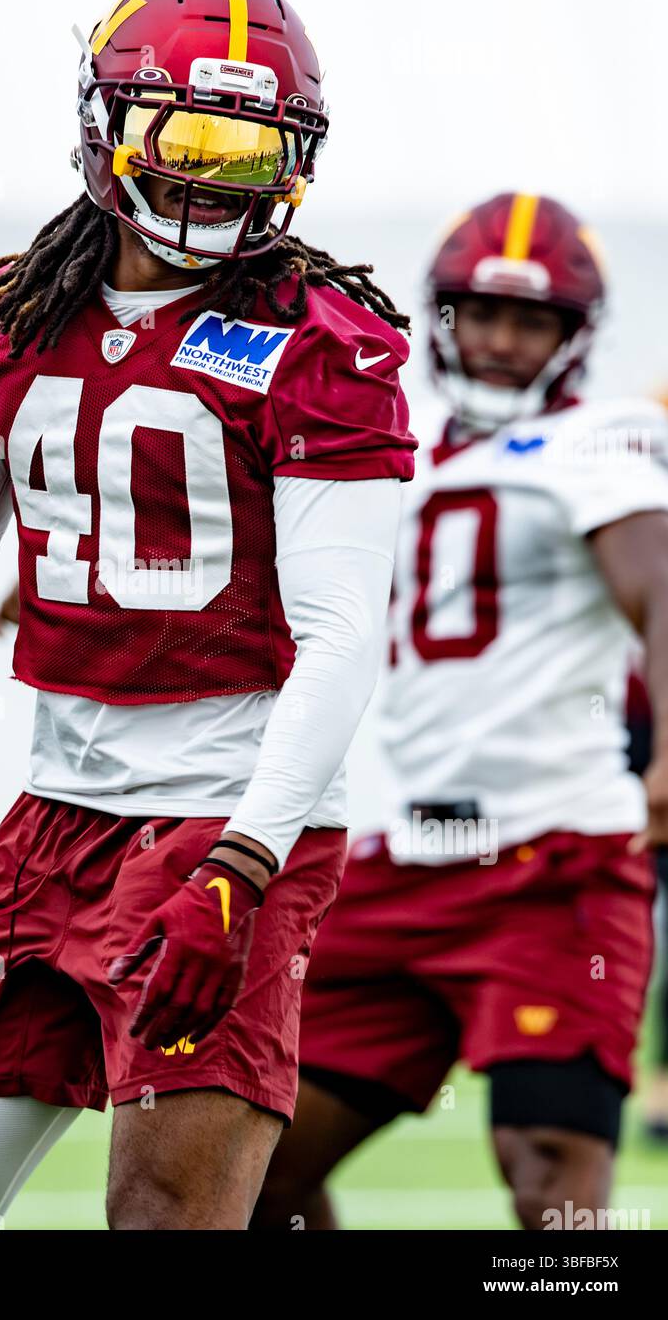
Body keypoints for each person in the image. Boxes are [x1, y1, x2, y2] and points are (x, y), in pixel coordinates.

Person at [0, 0, 416, 1230]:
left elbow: (345, 632)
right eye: (181, 134)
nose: (207, 175)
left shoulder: (322, 350)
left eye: (248, 149)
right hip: (49, 825)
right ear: (103, 125)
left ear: (295, 163)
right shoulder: (22, 319)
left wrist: (245, 858)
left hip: (221, 823)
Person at [254, 192, 668, 1231]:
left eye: (530, 321)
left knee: (548, 1191)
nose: (497, 339)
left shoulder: (604, 440)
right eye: (478, 313)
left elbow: (659, 586)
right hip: (393, 861)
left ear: (573, 337)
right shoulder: (390, 434)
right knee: (247, 1163)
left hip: (552, 862)